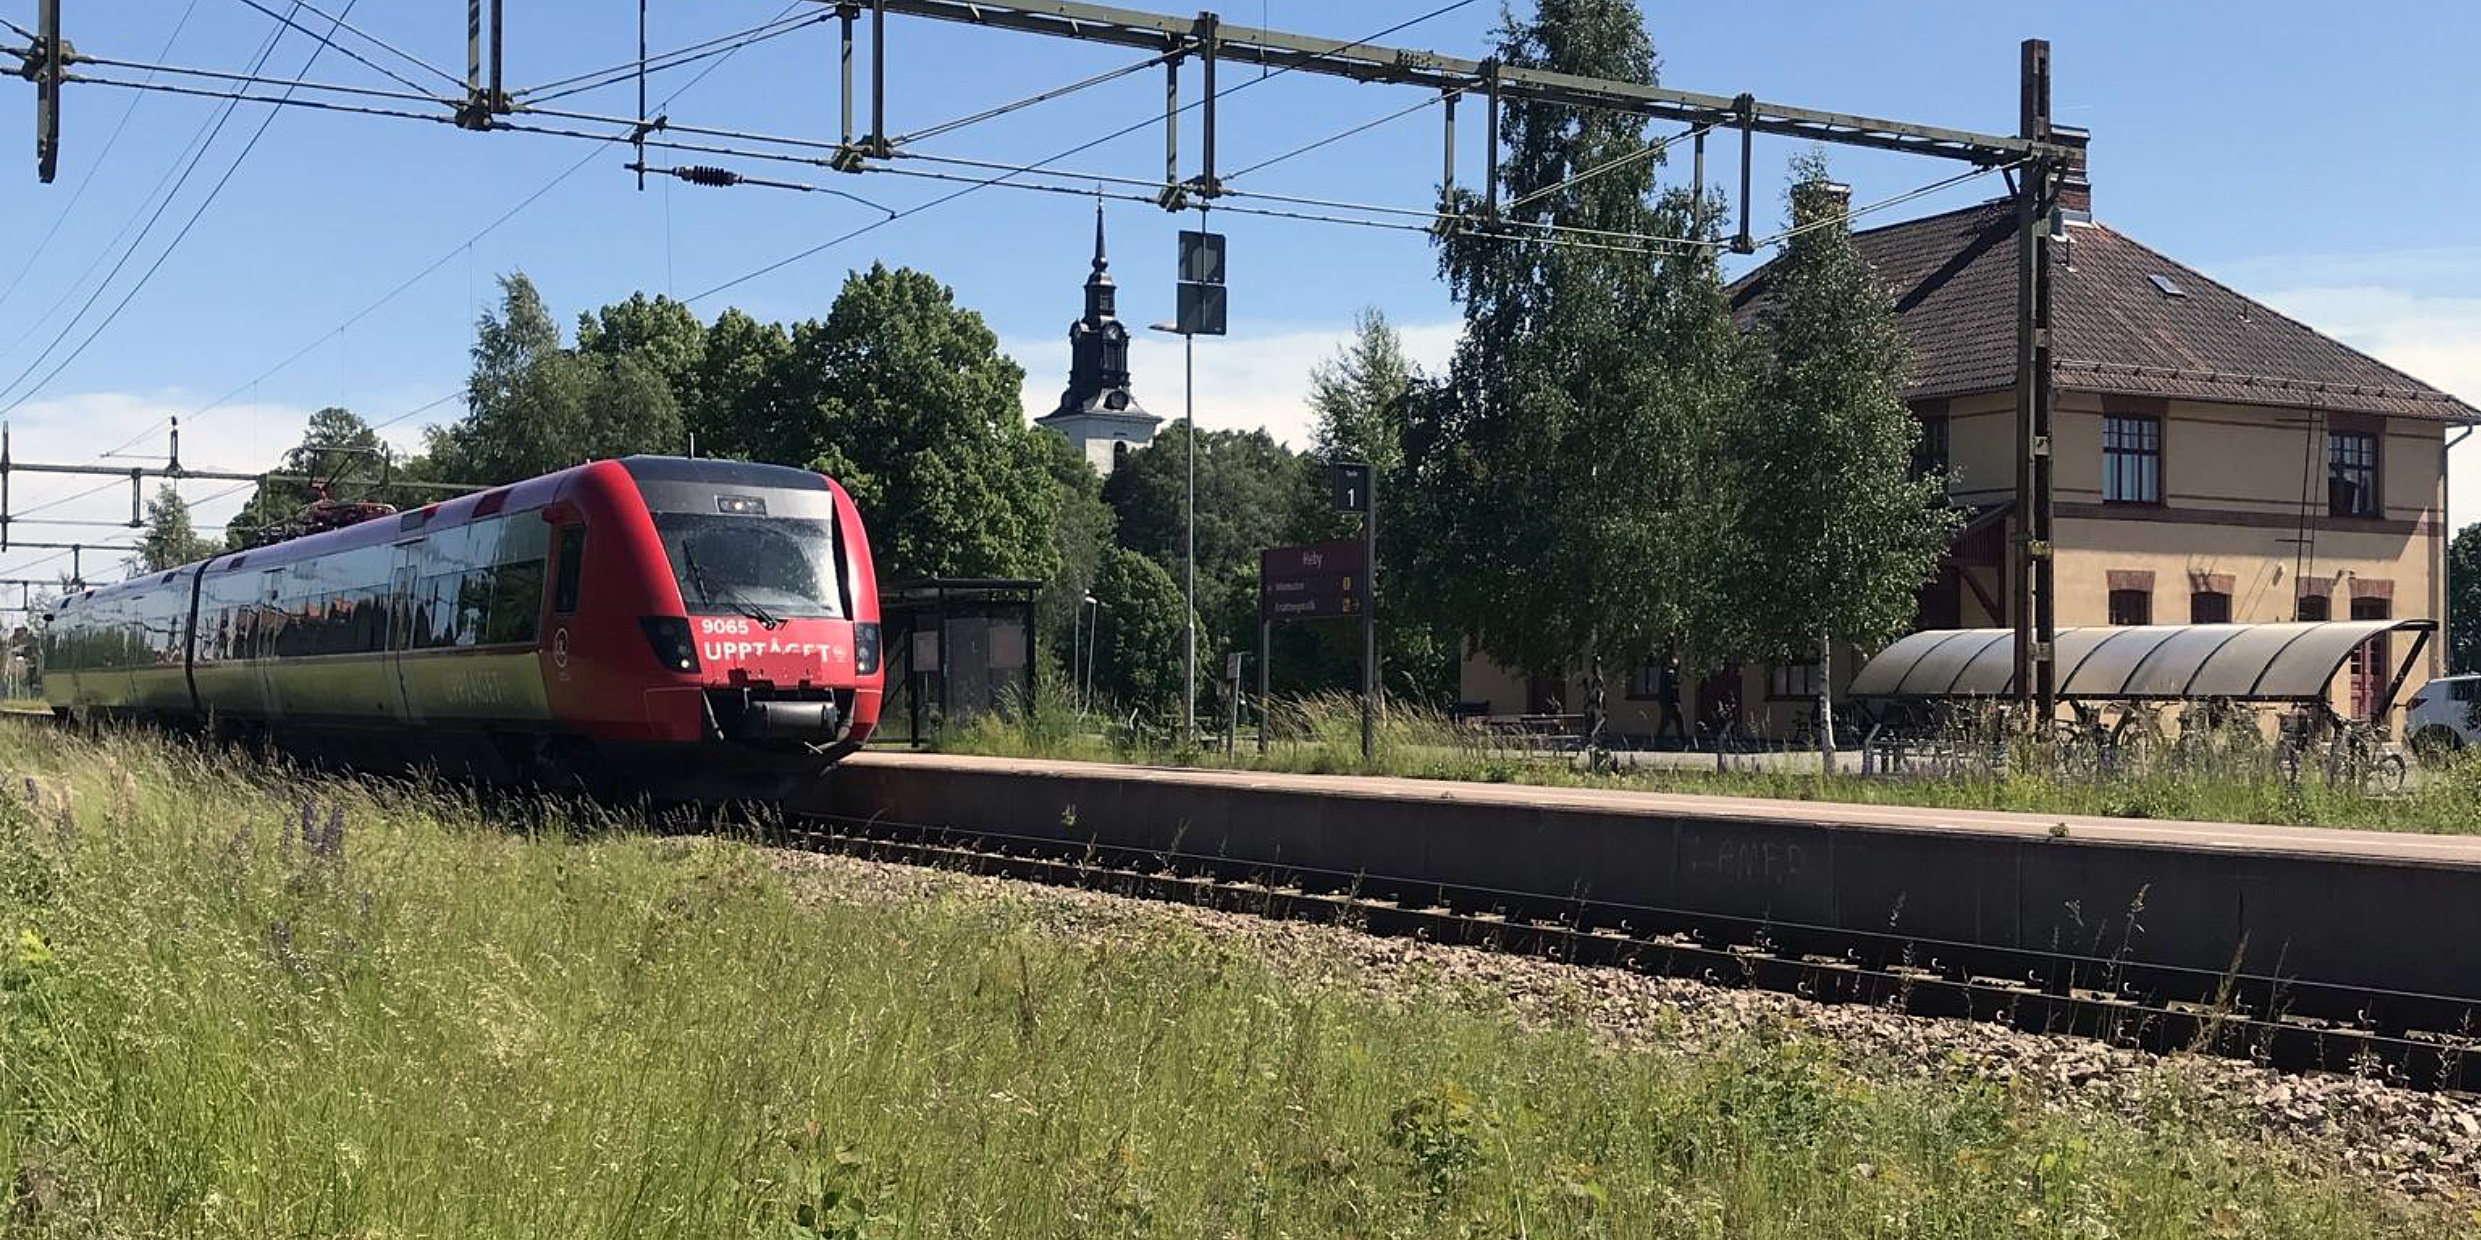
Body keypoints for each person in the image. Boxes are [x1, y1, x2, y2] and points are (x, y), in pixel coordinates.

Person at [1655, 653, 1687, 746]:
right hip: (1669, 700)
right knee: (1672, 720)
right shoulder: (1668, 672)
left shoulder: (1666, 671)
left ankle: (1660, 741)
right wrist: (1679, 682)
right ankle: (1682, 741)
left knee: (1668, 720)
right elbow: (1672, 685)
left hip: (1668, 700)